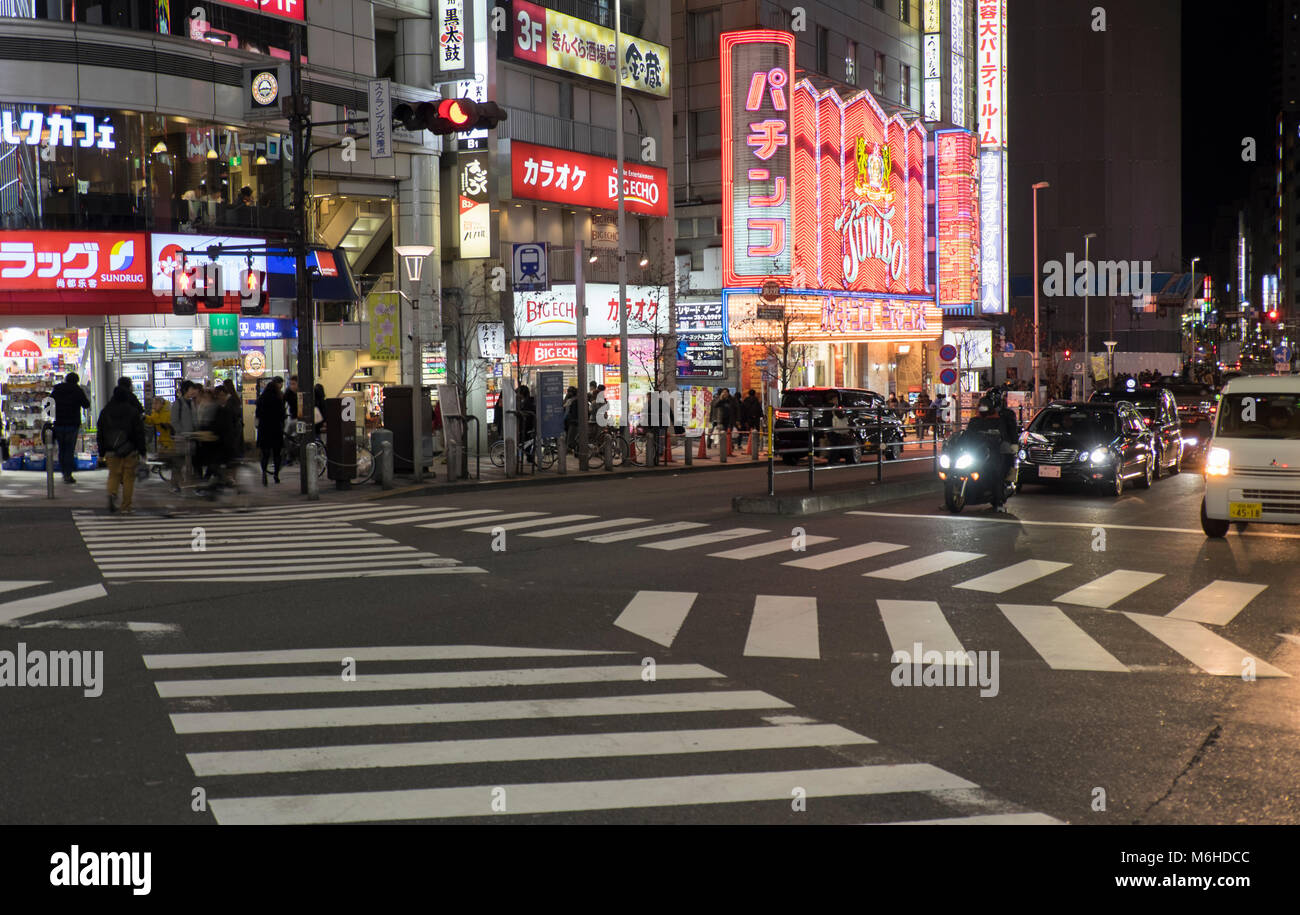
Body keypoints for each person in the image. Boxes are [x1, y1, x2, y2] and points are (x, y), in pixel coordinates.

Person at [96, 386, 146, 514]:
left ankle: (112, 493)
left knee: (114, 475)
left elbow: (100, 433)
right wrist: (142, 451)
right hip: (130, 449)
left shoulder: (105, 411)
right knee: (129, 477)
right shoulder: (132, 411)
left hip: (111, 450)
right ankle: (126, 506)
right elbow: (139, 433)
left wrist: (101, 452)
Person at [50, 371, 90, 483]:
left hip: (59, 424)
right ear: (76, 381)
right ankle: (68, 474)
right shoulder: (77, 390)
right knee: (69, 450)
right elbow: (86, 404)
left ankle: (64, 472)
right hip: (72, 424)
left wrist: (54, 414)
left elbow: (48, 406)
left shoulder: (57, 390)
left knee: (61, 449)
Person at [255, 378, 284, 485]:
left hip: (264, 429)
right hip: (276, 429)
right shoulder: (278, 399)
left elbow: (257, 415)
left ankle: (264, 474)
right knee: (277, 454)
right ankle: (276, 475)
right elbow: (282, 415)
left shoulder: (261, 400)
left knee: (265, 454)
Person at [563, 386, 579, 455]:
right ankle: (575, 450)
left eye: (569, 392)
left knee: (570, 437)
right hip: (576, 421)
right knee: (575, 436)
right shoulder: (578, 399)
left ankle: (568, 449)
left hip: (571, 421)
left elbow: (566, 411)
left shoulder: (570, 400)